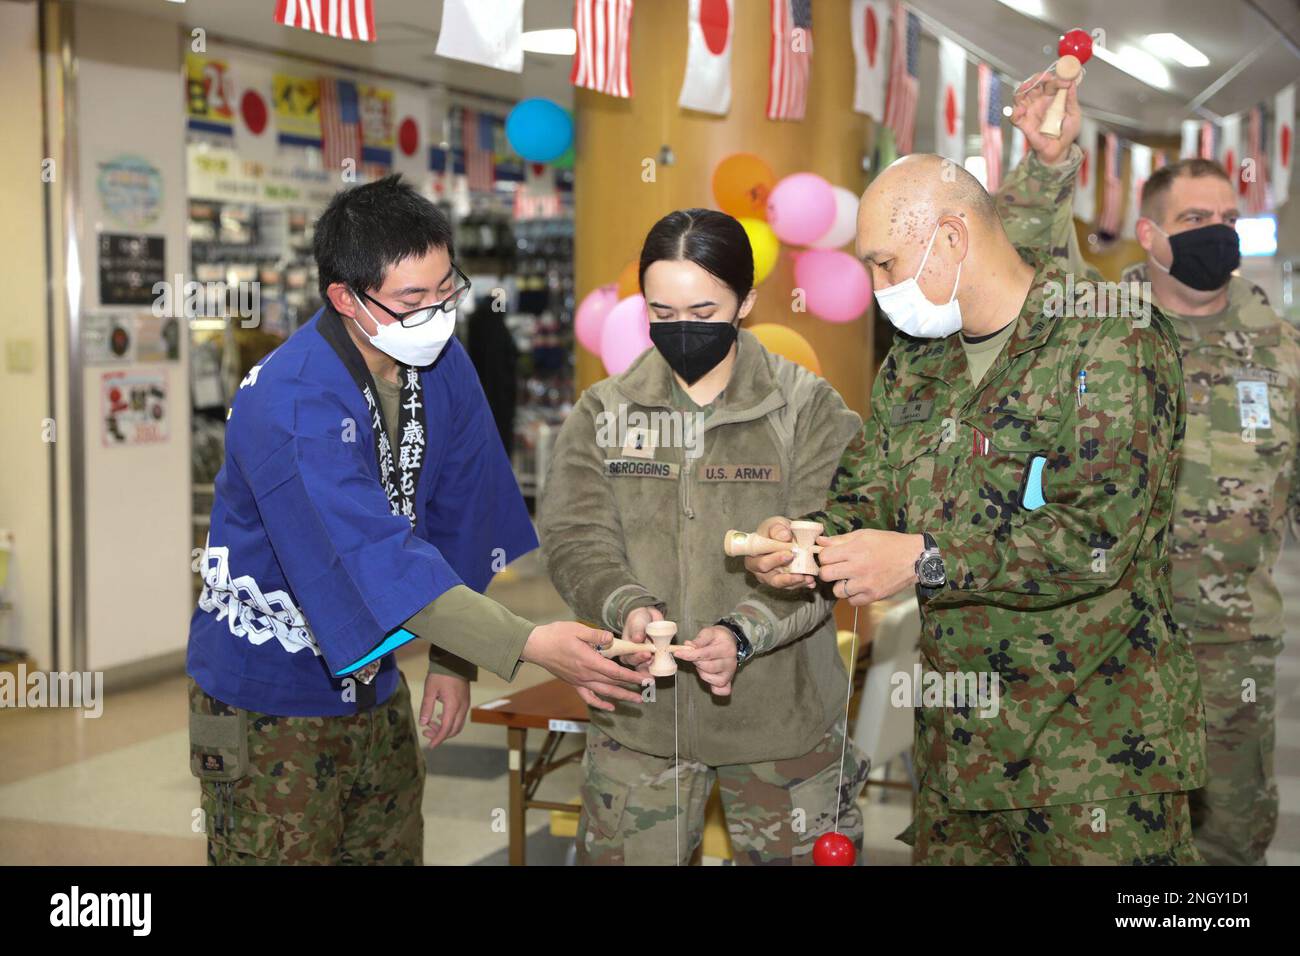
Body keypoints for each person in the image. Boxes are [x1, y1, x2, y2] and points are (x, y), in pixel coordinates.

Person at [747, 154, 1206, 865]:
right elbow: (870, 490)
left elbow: (1098, 538)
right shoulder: (917, 362)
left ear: (953, 239)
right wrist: (811, 542)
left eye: (886, 263)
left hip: (1095, 754)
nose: (876, 289)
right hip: (958, 753)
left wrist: (925, 558)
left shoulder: (1110, 340)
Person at [187, 175, 642, 865]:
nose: (435, 311)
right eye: (411, 300)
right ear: (345, 297)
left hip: (376, 684)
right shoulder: (292, 398)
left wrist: (457, 659)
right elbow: (367, 555)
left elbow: (465, 512)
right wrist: (526, 643)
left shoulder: (439, 363)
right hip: (269, 697)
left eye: (444, 290)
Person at [998, 71, 1299, 866]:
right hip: (1106, 638)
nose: (1218, 233)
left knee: (1230, 839)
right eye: (1196, 219)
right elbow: (1016, 267)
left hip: (1231, 644)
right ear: (1150, 233)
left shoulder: (1283, 351)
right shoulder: (1096, 325)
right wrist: (1047, 164)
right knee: (1103, 836)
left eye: (1229, 219)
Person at [538, 209, 869, 865]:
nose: (681, 327)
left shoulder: (809, 410)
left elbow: (828, 547)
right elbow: (575, 536)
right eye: (661, 310)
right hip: (641, 727)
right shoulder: (605, 411)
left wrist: (742, 630)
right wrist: (625, 605)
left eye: (703, 307)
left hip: (782, 729)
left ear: (746, 301)